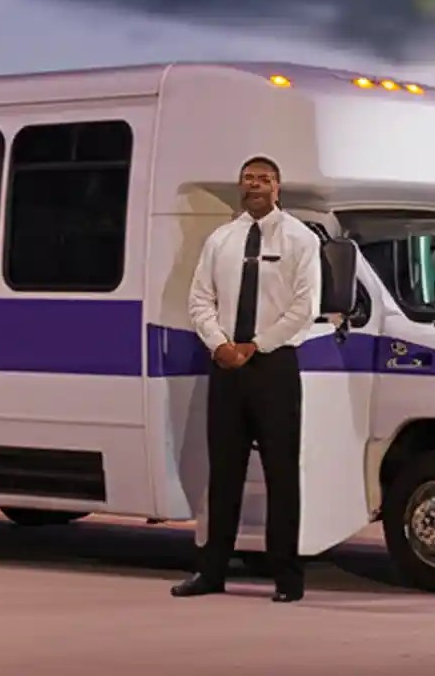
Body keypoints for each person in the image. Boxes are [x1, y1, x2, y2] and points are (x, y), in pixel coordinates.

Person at [172, 156, 322, 603]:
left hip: (274, 366)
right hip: (225, 367)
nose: (254, 185)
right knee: (224, 474)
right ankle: (211, 572)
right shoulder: (222, 239)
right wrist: (220, 344)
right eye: (248, 179)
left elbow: (305, 306)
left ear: (278, 187)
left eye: (264, 179)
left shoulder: (300, 239)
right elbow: (200, 299)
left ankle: (287, 579)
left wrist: (256, 344)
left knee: (281, 475)